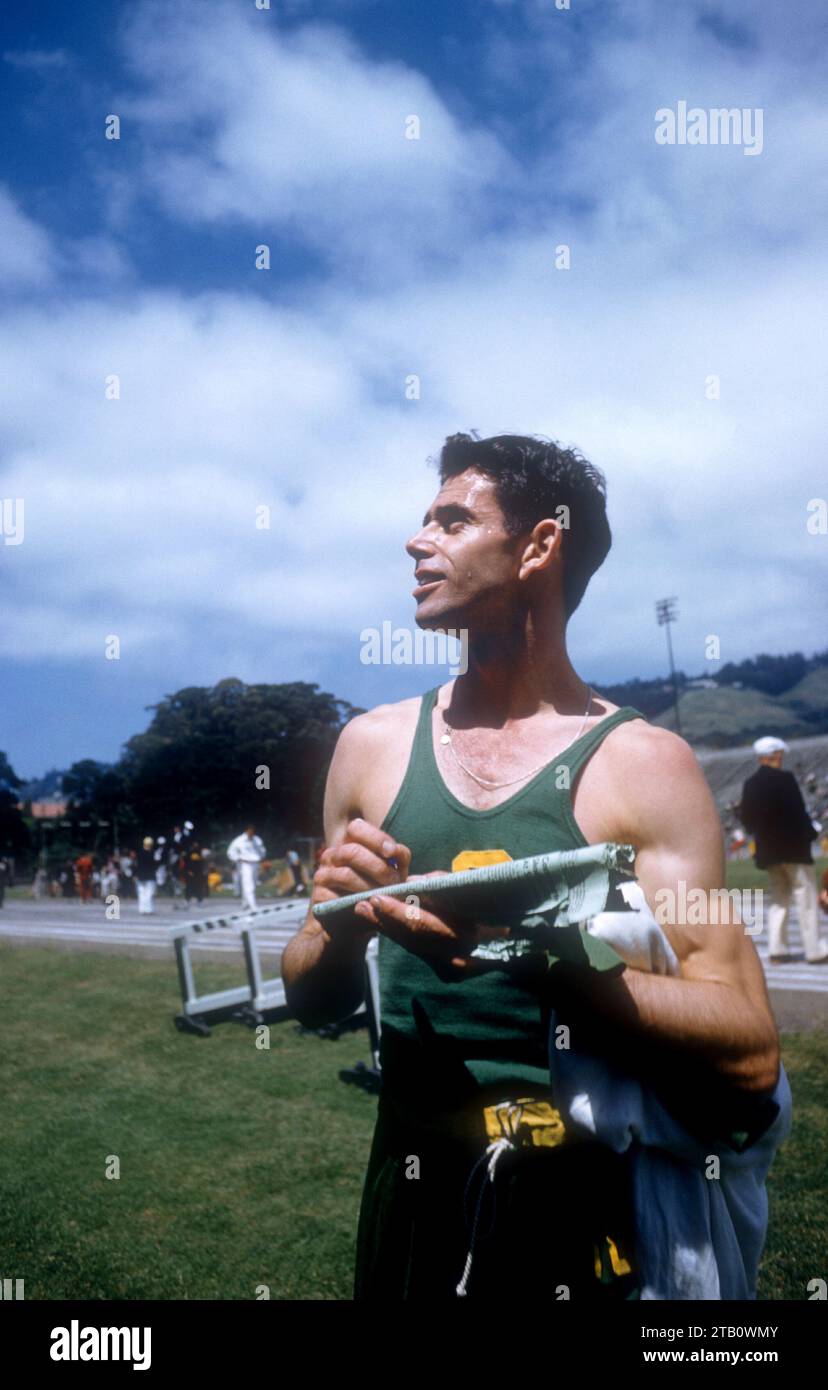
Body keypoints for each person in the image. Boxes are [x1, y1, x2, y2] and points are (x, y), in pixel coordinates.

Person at [282, 431, 782, 1302]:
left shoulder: (643, 763)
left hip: (580, 1208)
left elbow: (747, 1051)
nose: (415, 539)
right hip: (408, 1192)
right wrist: (329, 924)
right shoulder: (368, 747)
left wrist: (534, 954)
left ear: (539, 546)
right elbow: (309, 996)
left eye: (451, 519)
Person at [740, 736, 828, 964]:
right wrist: (811, 834)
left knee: (778, 900)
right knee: (805, 897)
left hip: (769, 853)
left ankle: (777, 949)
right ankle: (814, 950)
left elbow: (746, 819)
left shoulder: (750, 783)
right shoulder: (785, 779)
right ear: (775, 754)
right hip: (794, 849)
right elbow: (798, 813)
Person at [227, 825, 267, 911]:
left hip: (255, 864)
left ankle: (245, 904)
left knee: (253, 884)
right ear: (246, 831)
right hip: (245, 864)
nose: (251, 833)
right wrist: (238, 859)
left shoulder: (257, 840)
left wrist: (263, 860)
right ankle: (253, 906)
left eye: (253, 831)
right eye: (250, 831)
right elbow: (230, 852)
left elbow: (262, 851)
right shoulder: (239, 841)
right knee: (249, 885)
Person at [136, 837, 157, 915]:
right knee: (149, 894)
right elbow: (154, 865)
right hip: (150, 876)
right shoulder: (152, 854)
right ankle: (149, 909)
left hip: (141, 876)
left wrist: (136, 875)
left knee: (141, 893)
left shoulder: (140, 853)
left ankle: (142, 909)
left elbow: (137, 865)